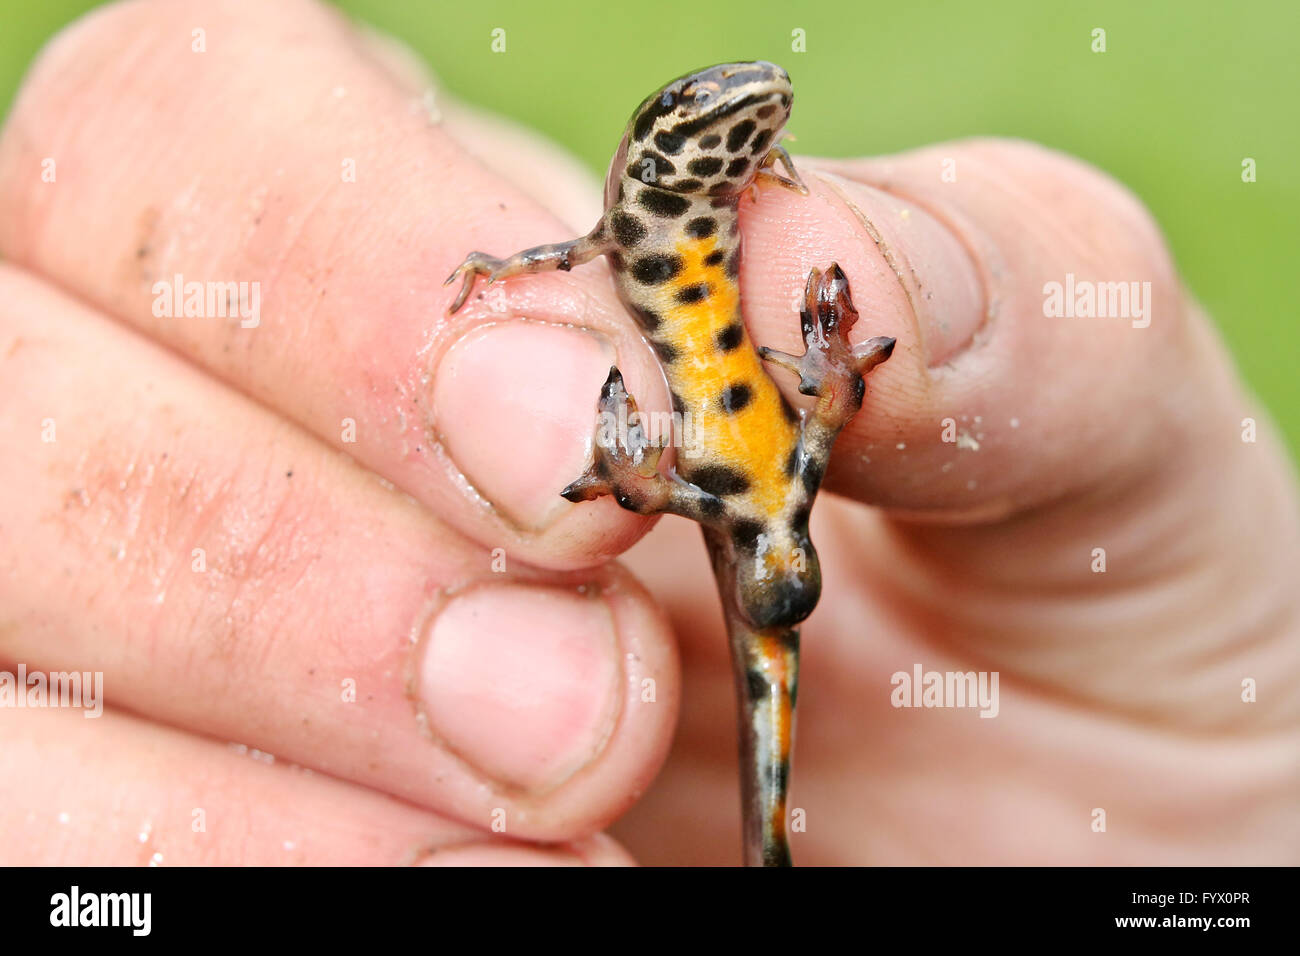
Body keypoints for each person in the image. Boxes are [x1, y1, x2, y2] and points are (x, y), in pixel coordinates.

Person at [0, 0, 1294, 865]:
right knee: (754, 526)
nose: (752, 122)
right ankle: (653, 479)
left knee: (762, 542)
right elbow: (572, 249)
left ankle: (655, 477)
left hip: (756, 476)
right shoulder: (637, 228)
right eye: (721, 121)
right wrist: (488, 278)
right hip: (755, 472)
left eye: (758, 129)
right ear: (660, 152)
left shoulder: (749, 219)